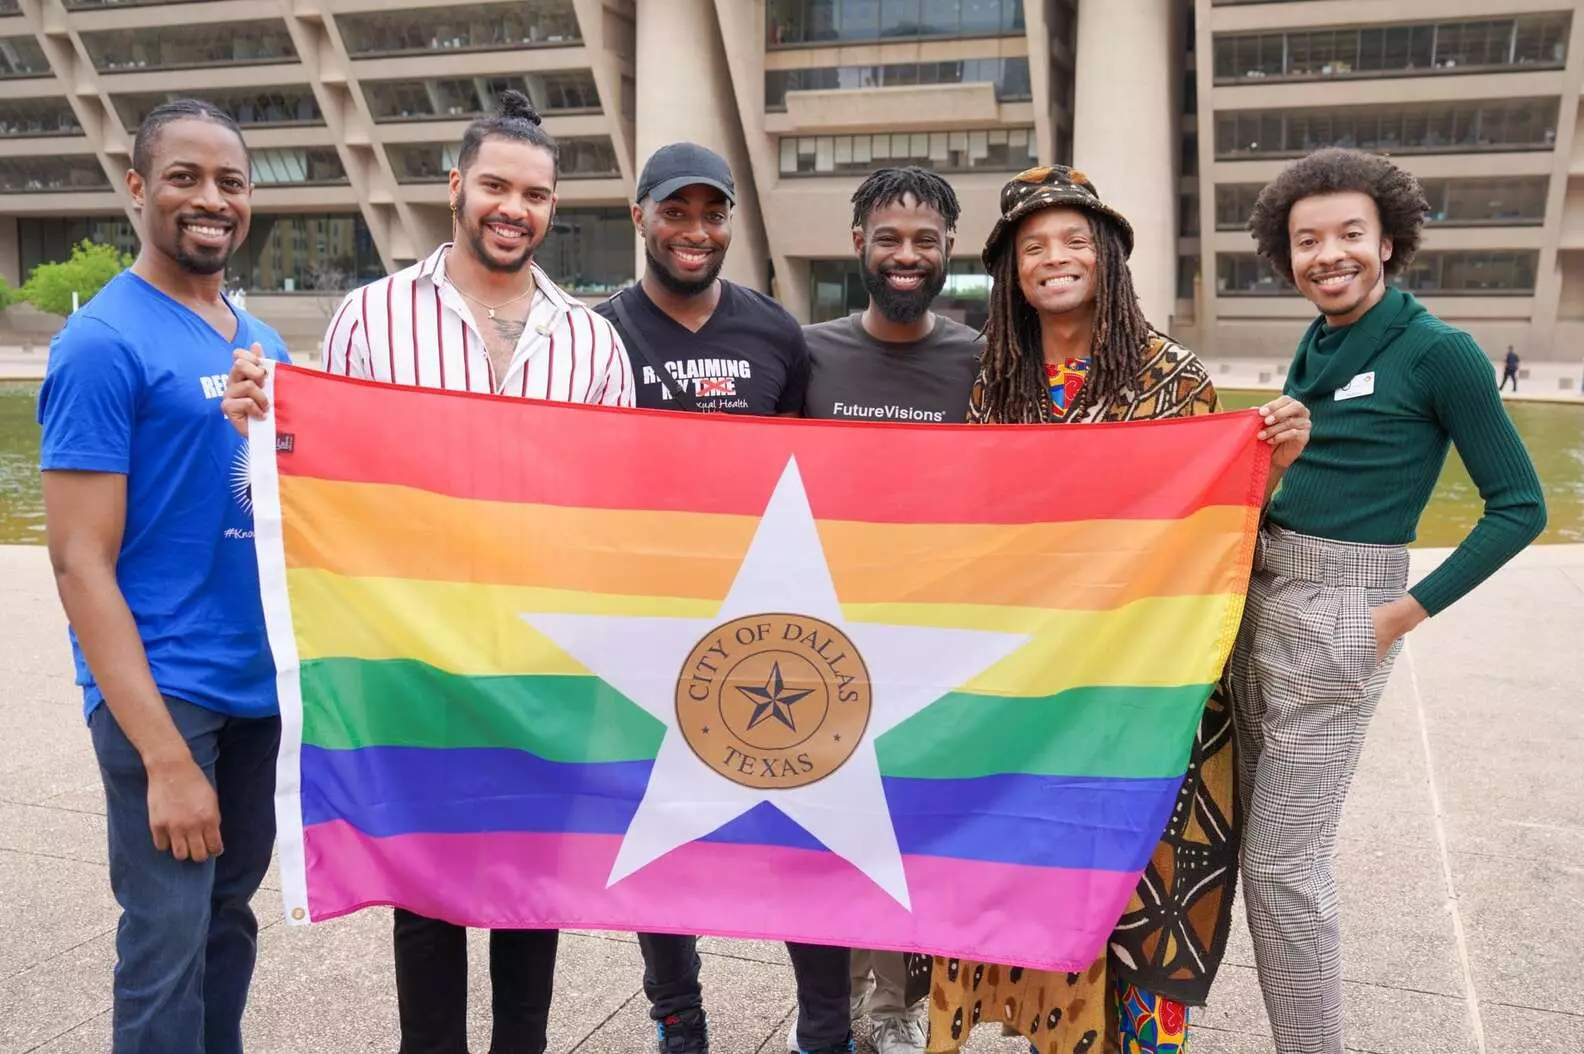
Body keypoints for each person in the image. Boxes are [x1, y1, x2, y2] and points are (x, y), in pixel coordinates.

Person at [224, 90, 634, 1054]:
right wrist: (255, 435)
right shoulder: (371, 317)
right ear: (456, 186)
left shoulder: (593, 340)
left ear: (551, 208)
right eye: (495, 184)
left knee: (535, 886)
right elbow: (316, 485)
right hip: (416, 648)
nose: (513, 208)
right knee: (427, 886)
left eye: (535, 194)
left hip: (545, 653)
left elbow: (618, 506)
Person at [923, 165, 1310, 1054]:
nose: (1054, 259)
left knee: (1137, 900)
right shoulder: (997, 381)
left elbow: (1204, 532)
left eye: (1073, 239)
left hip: (1142, 687)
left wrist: (1266, 467)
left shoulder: (1173, 380)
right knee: (1024, 877)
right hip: (1029, 684)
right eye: (1032, 248)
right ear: (1012, 273)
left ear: (1109, 255)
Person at [1234, 148, 1544, 1054]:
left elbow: (1522, 505)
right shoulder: (1319, 339)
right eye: (1306, 240)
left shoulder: (1439, 351)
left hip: (1344, 611)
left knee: (1285, 866)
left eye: (1349, 235)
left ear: (1390, 240)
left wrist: (1400, 614)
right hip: (1265, 593)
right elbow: (1329, 464)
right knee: (1253, 854)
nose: (1328, 255)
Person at [36, 98, 290, 1054]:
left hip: (256, 689)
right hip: (165, 692)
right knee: (165, 942)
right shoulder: (102, 343)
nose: (211, 199)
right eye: (184, 177)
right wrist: (165, 759)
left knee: (225, 927)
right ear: (138, 189)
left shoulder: (256, 337)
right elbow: (77, 562)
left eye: (230, 181)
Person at [591, 143, 846, 1054]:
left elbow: (815, 473)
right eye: (676, 212)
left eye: (713, 213)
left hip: (766, 626)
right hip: (646, 624)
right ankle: (677, 1018)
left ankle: (826, 1027)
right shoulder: (594, 333)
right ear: (640, 217)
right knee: (661, 832)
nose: (696, 231)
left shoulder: (776, 332)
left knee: (807, 825)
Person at [801, 166, 981, 1054]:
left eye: (925, 241)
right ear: (859, 247)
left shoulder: (982, 360)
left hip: (931, 636)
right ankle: (829, 1004)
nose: (906, 255)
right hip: (824, 636)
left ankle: (897, 1005)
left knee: (912, 829)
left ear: (950, 250)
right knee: (831, 831)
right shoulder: (810, 352)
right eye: (888, 238)